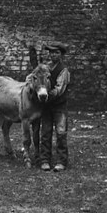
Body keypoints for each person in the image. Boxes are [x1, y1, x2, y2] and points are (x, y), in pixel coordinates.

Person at [38, 41, 71, 172]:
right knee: (45, 132)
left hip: (59, 106)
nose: (53, 55)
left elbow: (59, 89)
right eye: (51, 52)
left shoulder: (63, 70)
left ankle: (61, 161)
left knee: (61, 132)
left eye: (56, 53)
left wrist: (46, 95)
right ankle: (45, 160)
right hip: (46, 106)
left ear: (61, 54)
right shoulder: (46, 68)